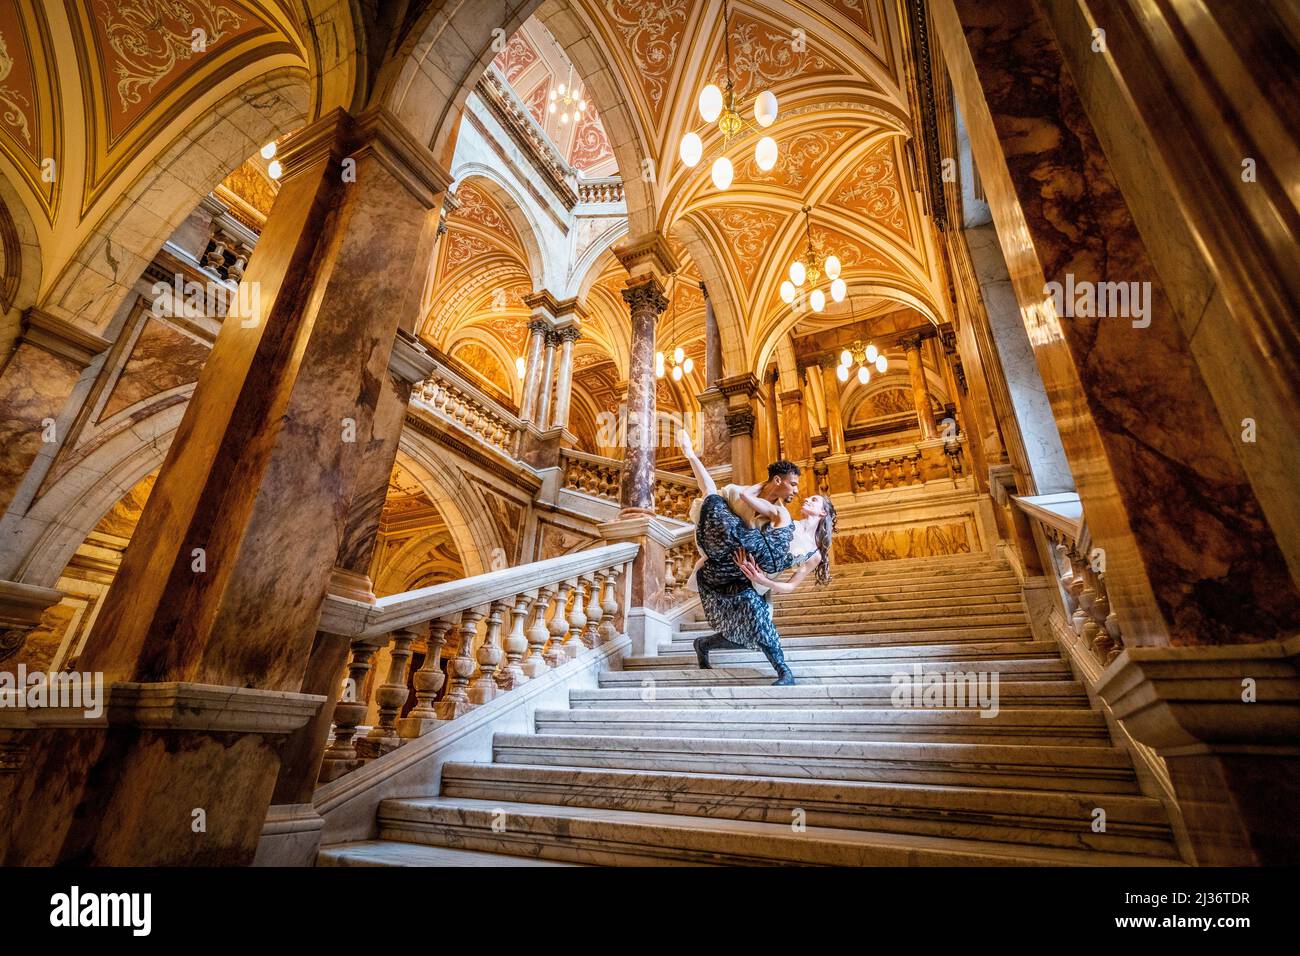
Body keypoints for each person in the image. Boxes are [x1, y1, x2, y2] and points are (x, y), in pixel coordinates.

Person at [677, 429, 836, 685]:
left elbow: (791, 585)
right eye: (795, 485)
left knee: (752, 625)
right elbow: (745, 497)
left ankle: (781, 671)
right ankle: (691, 455)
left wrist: (763, 579)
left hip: (754, 578)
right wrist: (770, 483)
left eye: (815, 499)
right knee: (713, 501)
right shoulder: (782, 515)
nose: (805, 496)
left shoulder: (813, 554)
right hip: (735, 555)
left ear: (823, 513)